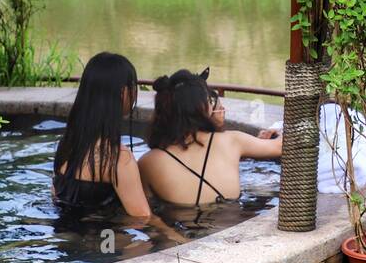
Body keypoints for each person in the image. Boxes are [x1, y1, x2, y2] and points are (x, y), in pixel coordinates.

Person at [139, 68, 282, 205]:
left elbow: (146, 214)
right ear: (200, 107)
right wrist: (277, 130)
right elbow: (281, 146)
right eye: (209, 100)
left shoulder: (148, 162)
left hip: (180, 226)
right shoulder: (232, 141)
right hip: (233, 221)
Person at [53, 52, 164, 223]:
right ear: (123, 93)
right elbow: (142, 218)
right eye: (133, 86)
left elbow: (56, 196)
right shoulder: (117, 157)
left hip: (64, 241)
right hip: (105, 243)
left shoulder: (67, 144)